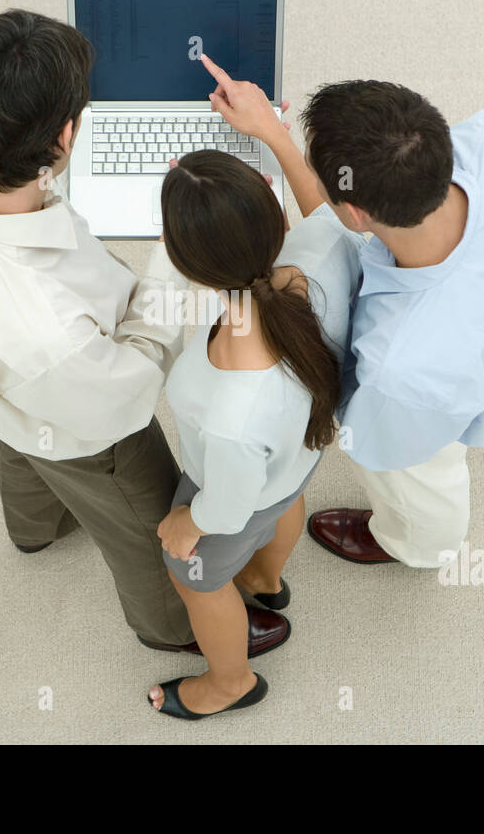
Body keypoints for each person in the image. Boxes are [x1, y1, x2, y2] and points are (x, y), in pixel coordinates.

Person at [0, 12, 290, 660]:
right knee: (140, 523)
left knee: (16, 445)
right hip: (88, 431)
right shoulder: (48, 332)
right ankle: (172, 625)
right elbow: (127, 388)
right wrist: (173, 249)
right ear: (65, 138)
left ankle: (33, 531)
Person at [198, 55, 484, 570]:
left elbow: (375, 444)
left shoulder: (397, 371)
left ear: (356, 213)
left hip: (433, 403)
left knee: (422, 482)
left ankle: (415, 546)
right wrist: (274, 133)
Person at [145, 148, 360, 720]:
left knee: (192, 577)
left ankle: (230, 682)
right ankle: (266, 579)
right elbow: (321, 214)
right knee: (279, 506)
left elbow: (231, 506)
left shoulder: (229, 413)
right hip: (293, 463)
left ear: (188, 266)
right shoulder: (325, 249)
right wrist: (272, 136)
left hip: (234, 493)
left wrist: (190, 521)